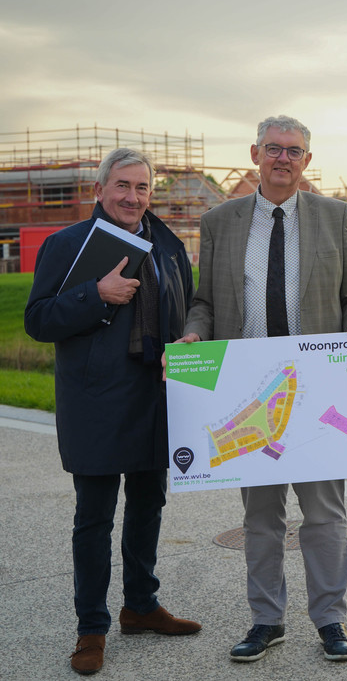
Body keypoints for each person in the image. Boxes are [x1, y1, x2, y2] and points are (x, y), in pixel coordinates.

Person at [179, 115, 347, 663]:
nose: (283, 158)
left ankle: (331, 621)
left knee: (324, 515)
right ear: (254, 154)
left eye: (294, 151)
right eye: (273, 149)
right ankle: (266, 620)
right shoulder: (220, 220)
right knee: (260, 518)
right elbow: (205, 302)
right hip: (250, 393)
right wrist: (195, 331)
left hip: (318, 391)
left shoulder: (333, 216)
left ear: (307, 160)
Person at [24, 148, 201, 675]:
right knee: (94, 518)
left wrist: (189, 336)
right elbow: (37, 319)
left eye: (142, 188)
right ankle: (91, 628)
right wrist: (95, 294)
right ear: (99, 191)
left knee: (149, 507)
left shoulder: (168, 244)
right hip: (95, 401)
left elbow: (188, 307)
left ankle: (141, 606)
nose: (132, 197)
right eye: (122, 186)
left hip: (156, 396)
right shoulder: (66, 244)